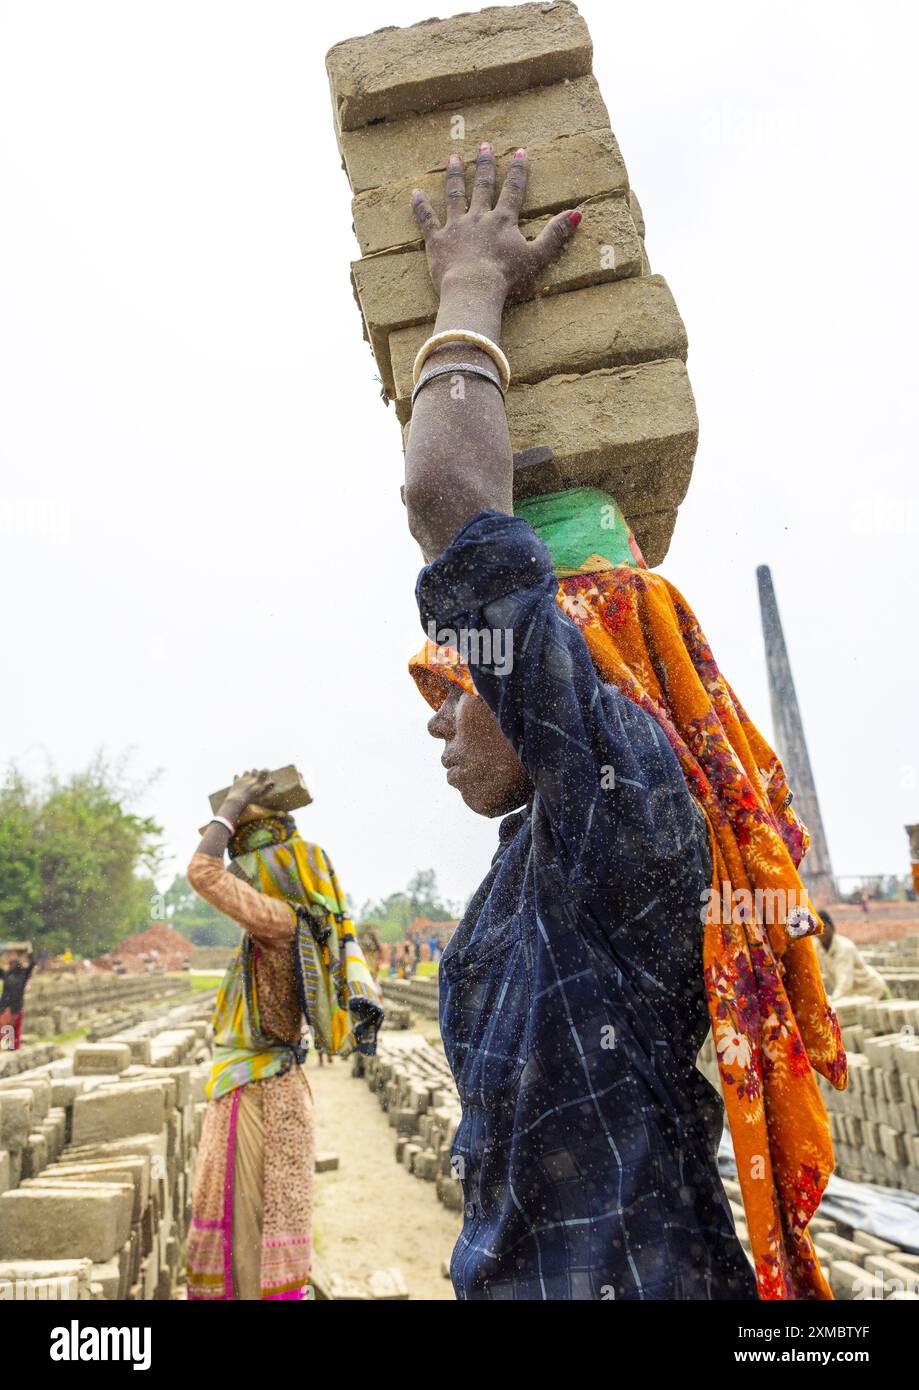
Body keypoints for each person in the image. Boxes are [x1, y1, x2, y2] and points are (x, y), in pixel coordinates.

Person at [402, 146, 847, 1301]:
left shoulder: (629, 811)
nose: (441, 721)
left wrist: (466, 288)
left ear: (560, 659)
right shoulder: (539, 855)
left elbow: (448, 499)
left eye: (458, 681)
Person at [185, 769, 382, 1300]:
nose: (239, 876)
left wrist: (231, 806)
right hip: (266, 1086)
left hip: (261, 1094)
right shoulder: (280, 929)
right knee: (247, 1227)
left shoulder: (279, 922)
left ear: (276, 871)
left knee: (247, 1235)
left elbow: (203, 872)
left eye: (247, 866)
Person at [817, 910, 888, 1001]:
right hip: (854, 994)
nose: (821, 931)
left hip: (873, 990)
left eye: (824, 926)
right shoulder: (818, 947)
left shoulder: (844, 948)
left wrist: (832, 1001)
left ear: (832, 927)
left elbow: (845, 981)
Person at [0, 948, 35, 1051]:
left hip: (17, 1006)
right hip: (5, 1006)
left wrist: (29, 952)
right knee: (4, 1029)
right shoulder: (7, 975)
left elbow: (32, 964)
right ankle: (7, 1047)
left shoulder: (23, 975)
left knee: (15, 1030)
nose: (12, 966)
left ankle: (13, 1049)